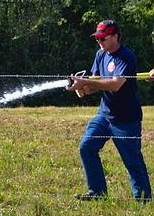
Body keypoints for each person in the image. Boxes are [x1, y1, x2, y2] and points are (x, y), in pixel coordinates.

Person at [65, 19, 151, 201]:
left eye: (103, 38)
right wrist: (83, 89)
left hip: (126, 118)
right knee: (87, 147)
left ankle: (143, 199)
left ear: (116, 37)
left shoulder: (126, 56)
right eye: (98, 38)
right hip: (104, 115)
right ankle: (97, 192)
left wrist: (87, 83)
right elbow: (97, 82)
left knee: (132, 161)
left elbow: (115, 84)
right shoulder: (100, 54)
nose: (100, 41)